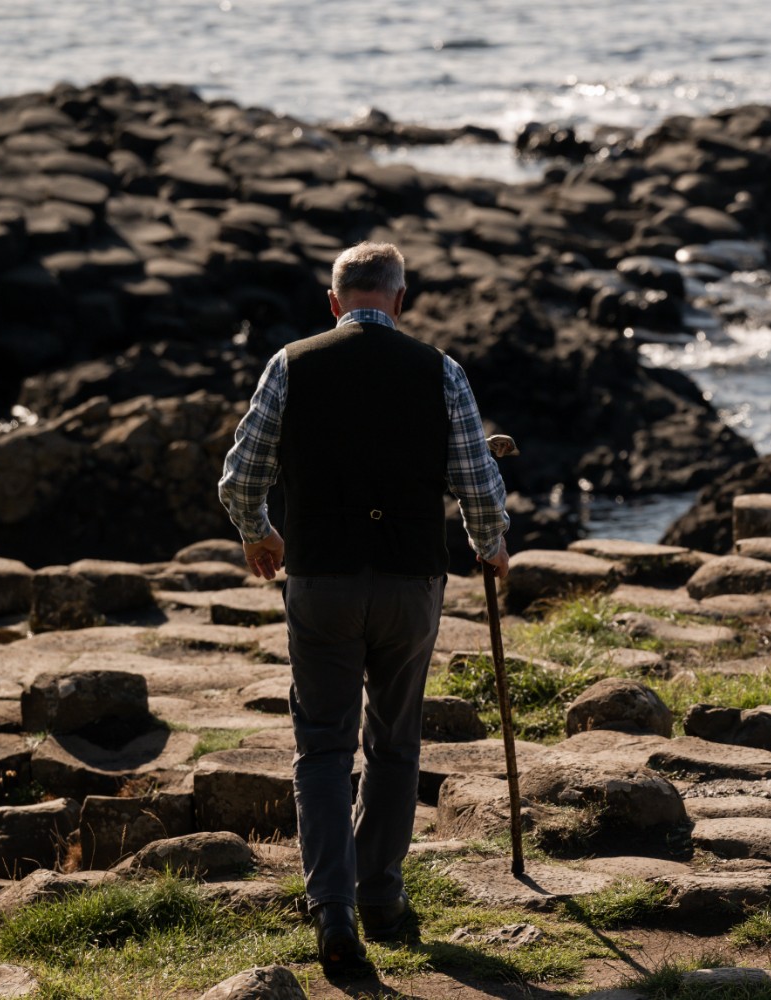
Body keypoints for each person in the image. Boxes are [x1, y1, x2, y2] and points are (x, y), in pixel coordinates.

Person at [217, 241, 511, 969]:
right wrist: (491, 542)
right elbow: (475, 478)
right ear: (401, 301)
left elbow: (239, 476)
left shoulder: (291, 363)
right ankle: (381, 893)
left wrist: (260, 536)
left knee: (321, 744)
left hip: (322, 579)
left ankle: (333, 911)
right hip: (412, 581)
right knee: (395, 742)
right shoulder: (441, 370)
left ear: (335, 302)